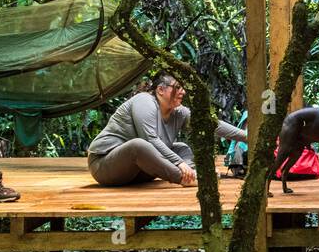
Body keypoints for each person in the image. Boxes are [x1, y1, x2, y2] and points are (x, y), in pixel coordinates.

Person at [87, 72, 247, 187]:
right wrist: (178, 163)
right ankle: (186, 178)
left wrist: (247, 136)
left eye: (182, 88)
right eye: (177, 87)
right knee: (138, 145)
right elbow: (150, 140)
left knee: (181, 148)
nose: (182, 92)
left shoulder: (179, 112)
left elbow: (210, 124)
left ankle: (191, 173)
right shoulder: (144, 101)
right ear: (160, 90)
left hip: (138, 173)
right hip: (105, 166)